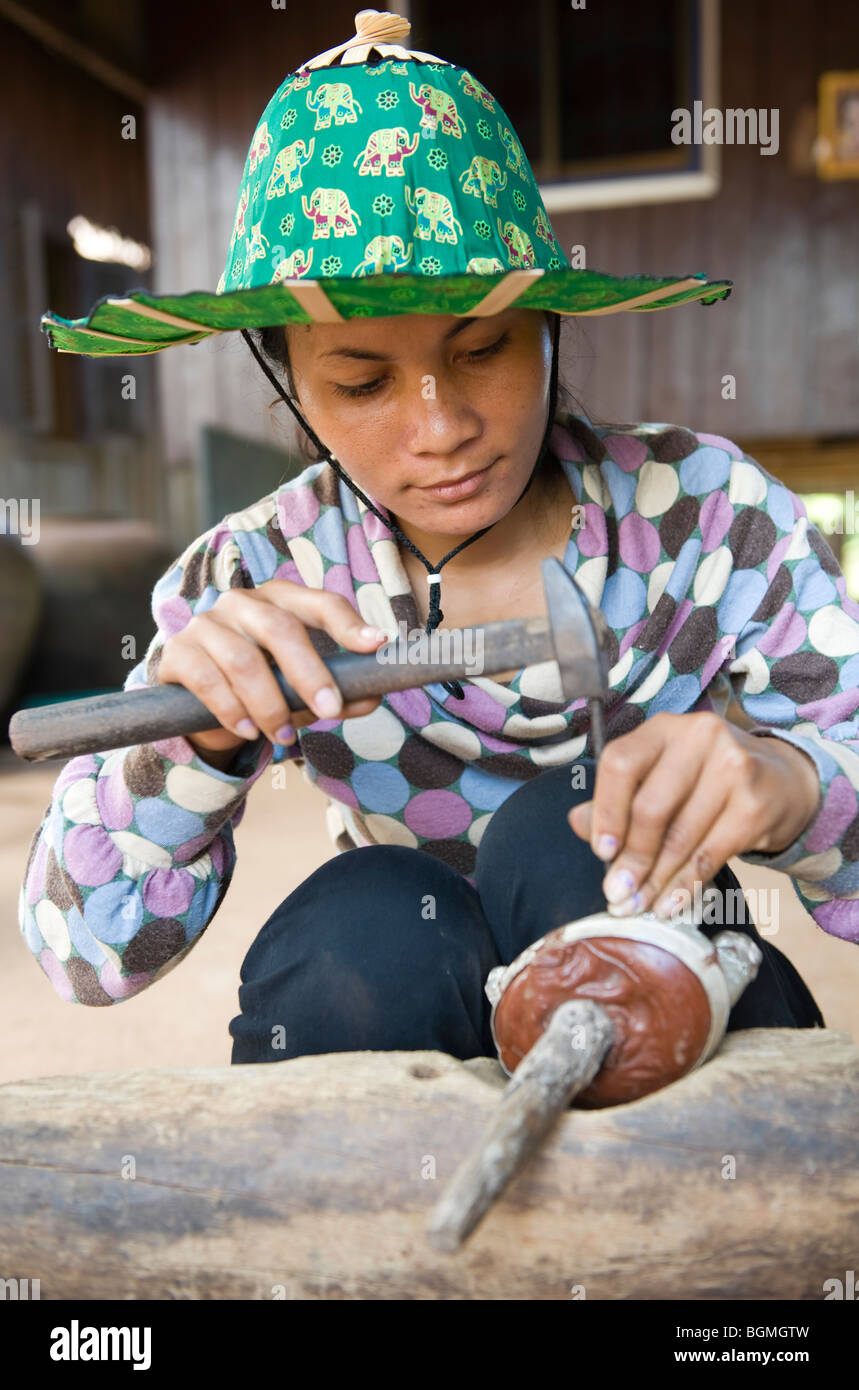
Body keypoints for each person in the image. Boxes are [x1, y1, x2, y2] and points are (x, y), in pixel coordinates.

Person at [25, 11, 858, 1063]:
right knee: (363, 924)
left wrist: (789, 782)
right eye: (363, 380)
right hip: (397, 993)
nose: (442, 428)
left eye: (482, 349)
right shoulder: (254, 578)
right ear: (285, 377)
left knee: (566, 832)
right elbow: (80, 954)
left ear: (550, 324)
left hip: (668, 984)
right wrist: (194, 741)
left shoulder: (709, 517)